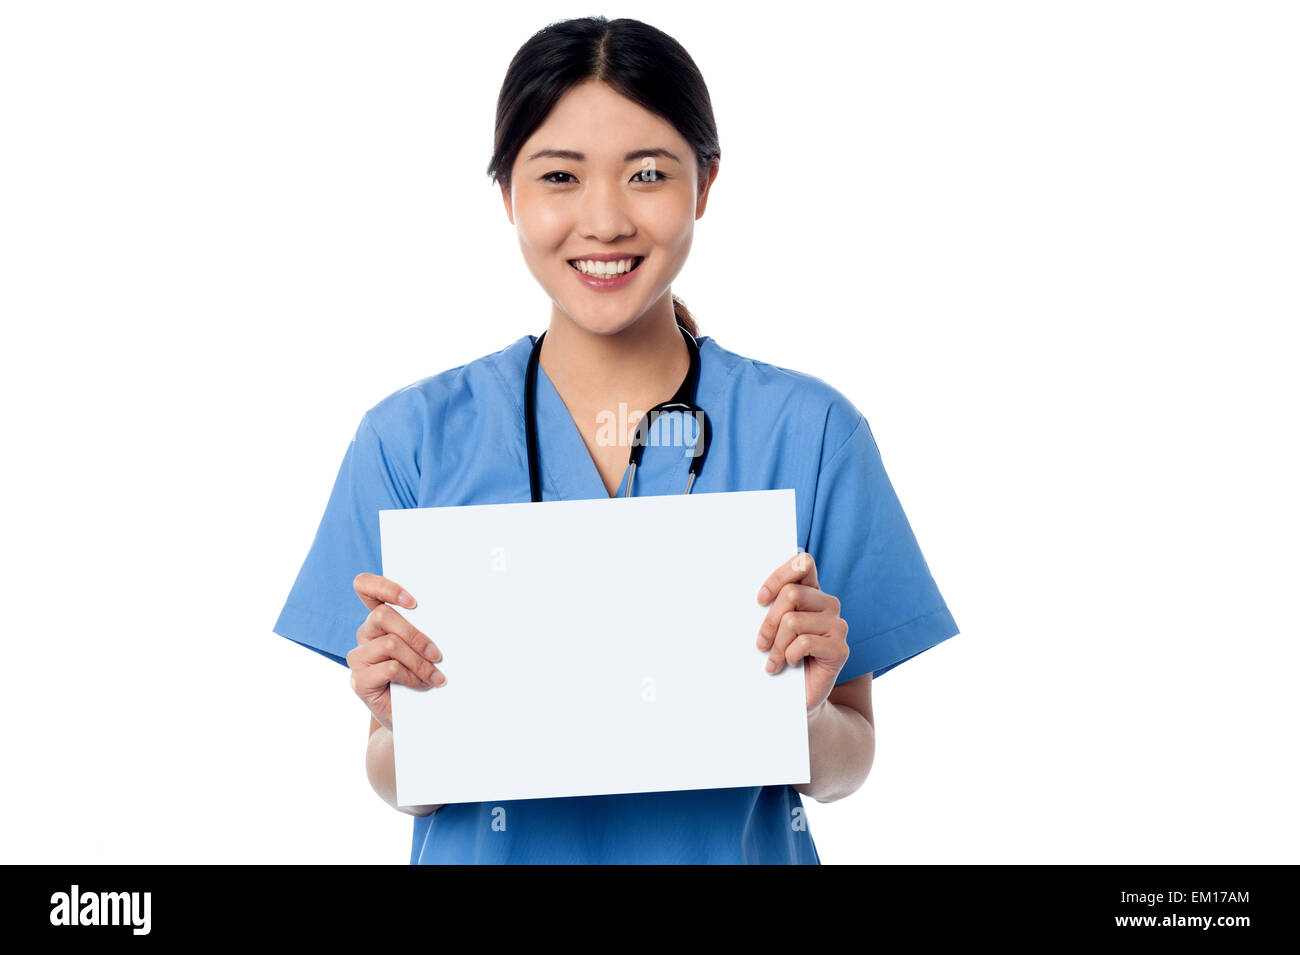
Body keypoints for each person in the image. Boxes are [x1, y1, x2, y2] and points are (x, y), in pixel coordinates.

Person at [272, 15, 960, 865]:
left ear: (704, 186)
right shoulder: (409, 442)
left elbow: (847, 761)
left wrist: (806, 714)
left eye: (647, 173)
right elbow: (396, 779)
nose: (603, 220)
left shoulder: (812, 433)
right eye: (559, 175)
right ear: (508, 196)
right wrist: (392, 716)